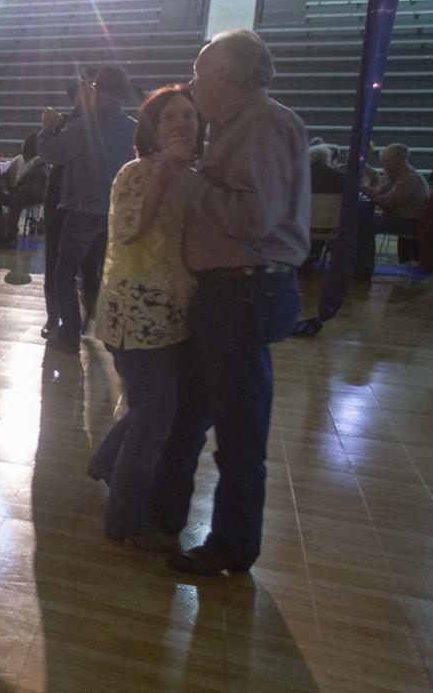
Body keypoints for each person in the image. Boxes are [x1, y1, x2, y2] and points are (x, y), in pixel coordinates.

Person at [150, 29, 309, 576]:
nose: (192, 87)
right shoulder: (235, 127)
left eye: (198, 73)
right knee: (189, 415)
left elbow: (249, 219)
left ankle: (231, 549)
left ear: (223, 76)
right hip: (230, 291)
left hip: (244, 290)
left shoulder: (262, 124)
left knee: (238, 436)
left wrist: (182, 178)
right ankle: (162, 519)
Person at [86, 86, 206, 552]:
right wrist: (165, 172)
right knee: (154, 419)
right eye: (170, 116)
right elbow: (133, 229)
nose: (182, 123)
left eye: (190, 116)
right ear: (151, 129)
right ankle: (124, 519)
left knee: (152, 410)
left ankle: (103, 462)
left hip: (172, 315)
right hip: (133, 315)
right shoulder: (136, 172)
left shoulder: (192, 174)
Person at [37, 74, 115, 351]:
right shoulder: (78, 122)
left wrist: (50, 130)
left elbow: (50, 152)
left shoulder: (79, 125)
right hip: (67, 199)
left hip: (74, 202)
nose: (86, 92)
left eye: (91, 87)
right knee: (74, 263)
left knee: (67, 267)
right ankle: (64, 318)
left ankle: (72, 324)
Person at [75, 66, 137, 324]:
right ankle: (104, 309)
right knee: (107, 261)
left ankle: (89, 308)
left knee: (84, 263)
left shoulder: (87, 124)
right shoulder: (134, 127)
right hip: (117, 206)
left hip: (87, 204)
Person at [364, 143, 429, 262]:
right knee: (362, 221)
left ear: (400, 159)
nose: (382, 164)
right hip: (400, 218)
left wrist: (367, 190)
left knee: (364, 226)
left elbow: (387, 202)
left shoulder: (409, 178)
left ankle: (364, 266)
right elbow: (381, 193)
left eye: (386, 160)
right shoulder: (398, 176)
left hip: (409, 222)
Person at [0, 129, 47, 248]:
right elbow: (4, 178)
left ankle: (11, 235)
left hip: (29, 195)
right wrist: (3, 188)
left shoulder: (40, 163)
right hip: (13, 192)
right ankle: (0, 232)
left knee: (16, 199)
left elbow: (39, 186)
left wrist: (21, 190)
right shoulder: (17, 160)